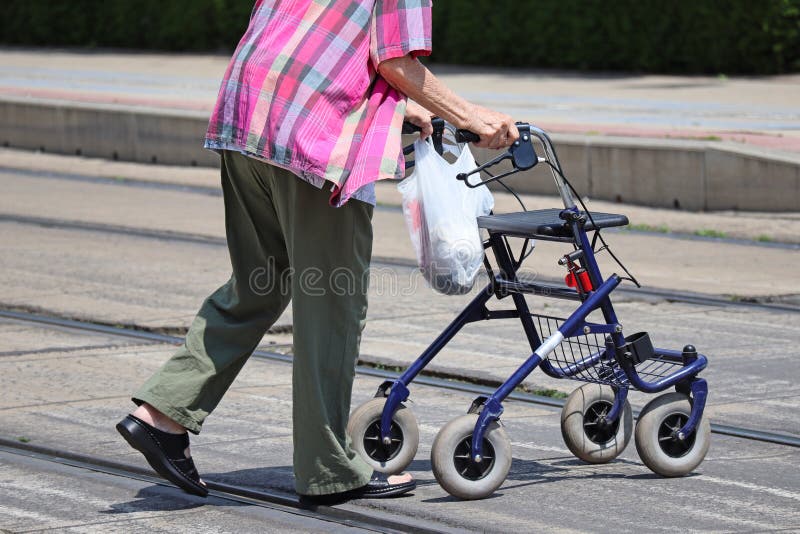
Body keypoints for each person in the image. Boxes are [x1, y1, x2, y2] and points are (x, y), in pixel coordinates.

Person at [116, 0, 519, 502]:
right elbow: (394, 59)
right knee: (332, 304)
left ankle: (160, 415)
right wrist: (471, 116)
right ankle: (328, 471)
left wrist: (407, 104)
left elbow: (329, 39)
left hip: (250, 115)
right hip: (313, 136)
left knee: (259, 283)